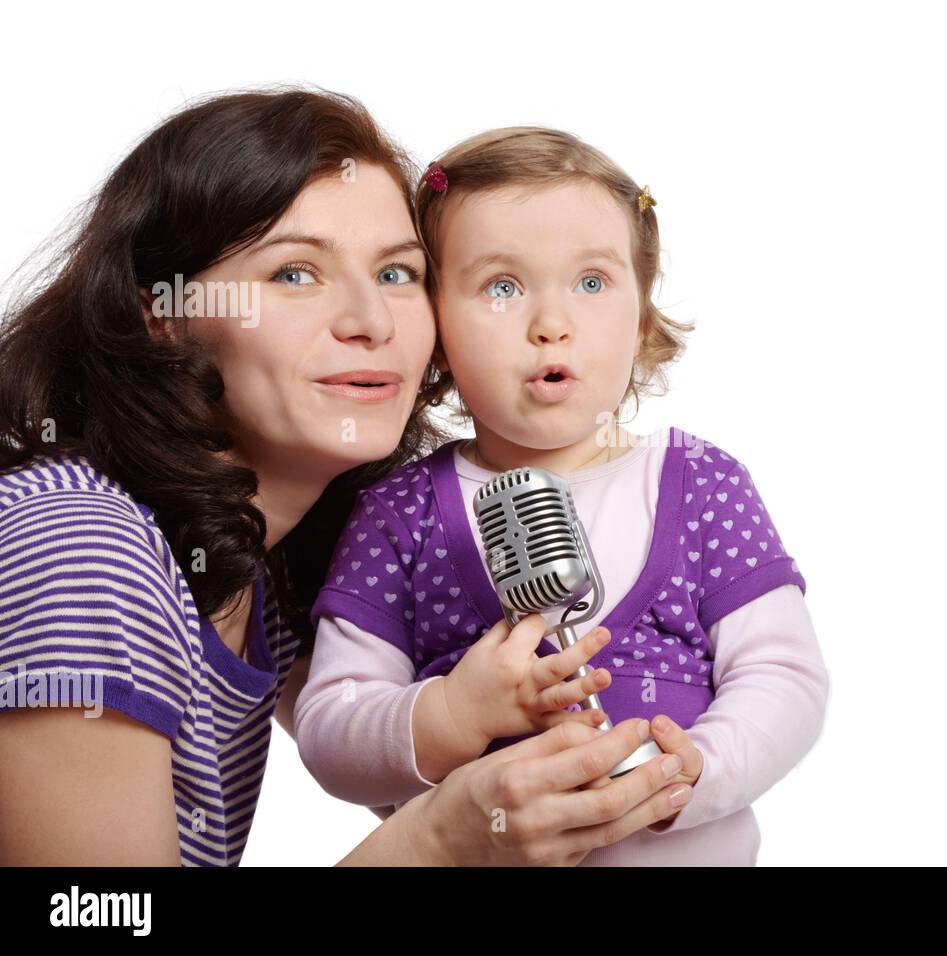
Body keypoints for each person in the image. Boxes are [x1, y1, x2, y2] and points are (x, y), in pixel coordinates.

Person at [0, 89, 692, 866]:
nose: (372, 320)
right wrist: (442, 841)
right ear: (161, 312)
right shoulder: (81, 548)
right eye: (296, 273)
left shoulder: (273, 572)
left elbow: (389, 746)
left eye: (398, 274)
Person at [294, 127, 829, 865]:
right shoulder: (399, 515)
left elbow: (783, 676)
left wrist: (697, 770)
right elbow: (329, 729)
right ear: (436, 333)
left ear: (641, 319)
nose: (552, 325)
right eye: (503, 287)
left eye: (591, 282)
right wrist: (451, 713)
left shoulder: (704, 484)